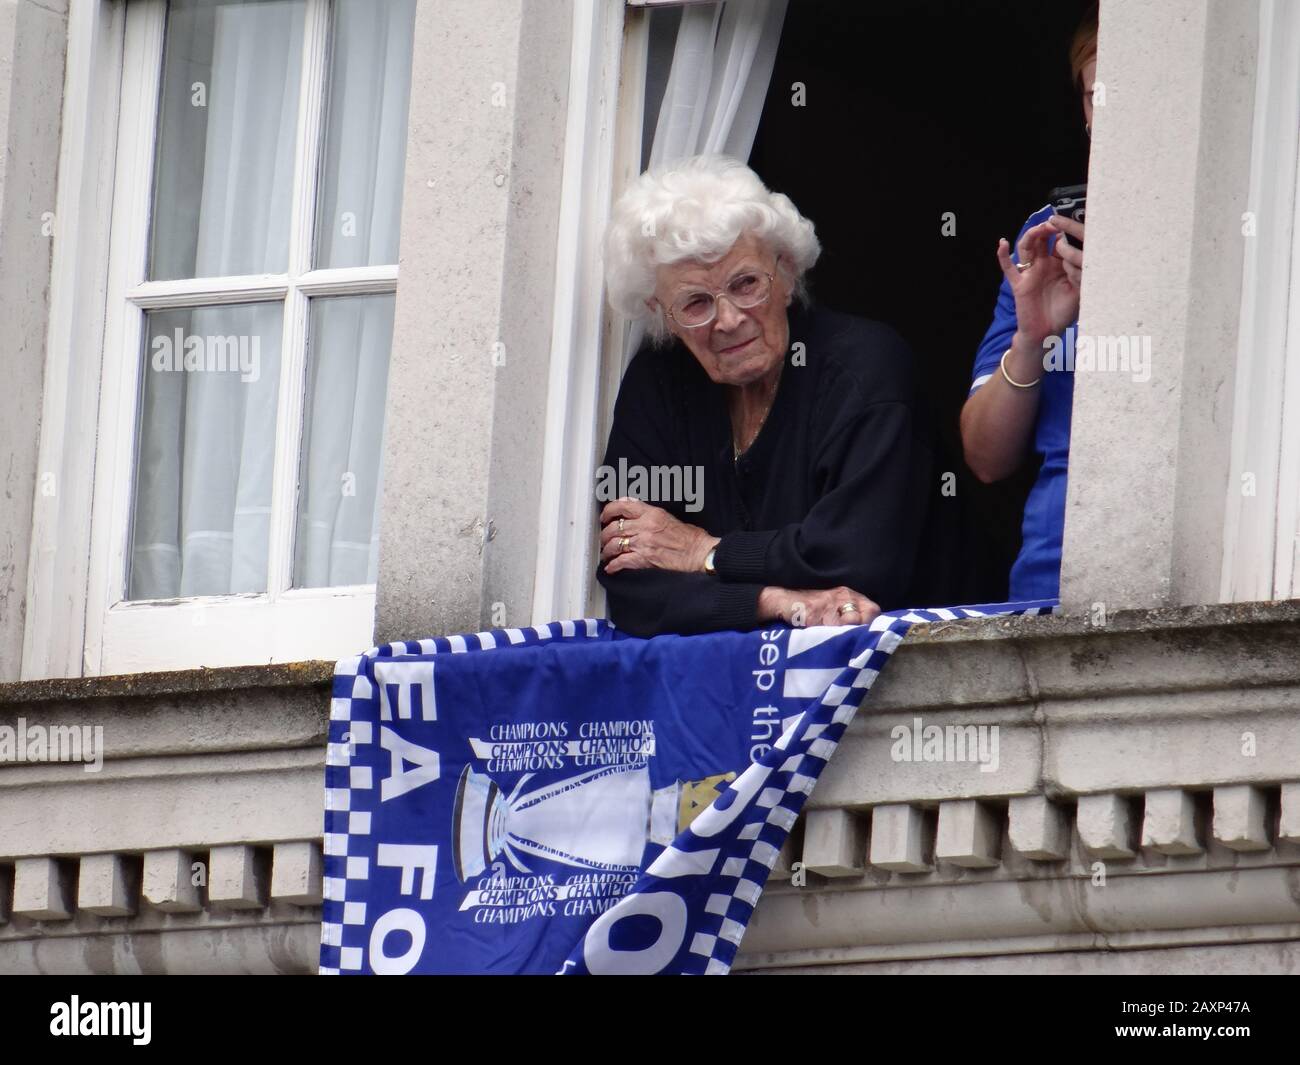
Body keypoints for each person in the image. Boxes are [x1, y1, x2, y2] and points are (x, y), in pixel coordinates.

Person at [595, 154, 929, 637]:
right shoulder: (659, 384)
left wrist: (702, 552)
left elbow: (858, 559)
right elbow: (630, 579)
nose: (728, 319)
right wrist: (772, 600)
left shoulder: (863, 369)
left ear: (788, 273)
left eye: (746, 283)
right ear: (662, 313)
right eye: (695, 302)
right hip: (712, 686)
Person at [960, 4, 1096, 601]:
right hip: (1055, 562)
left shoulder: (1242, 222)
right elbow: (986, 457)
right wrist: (1032, 341)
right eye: (1097, 97)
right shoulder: (1047, 234)